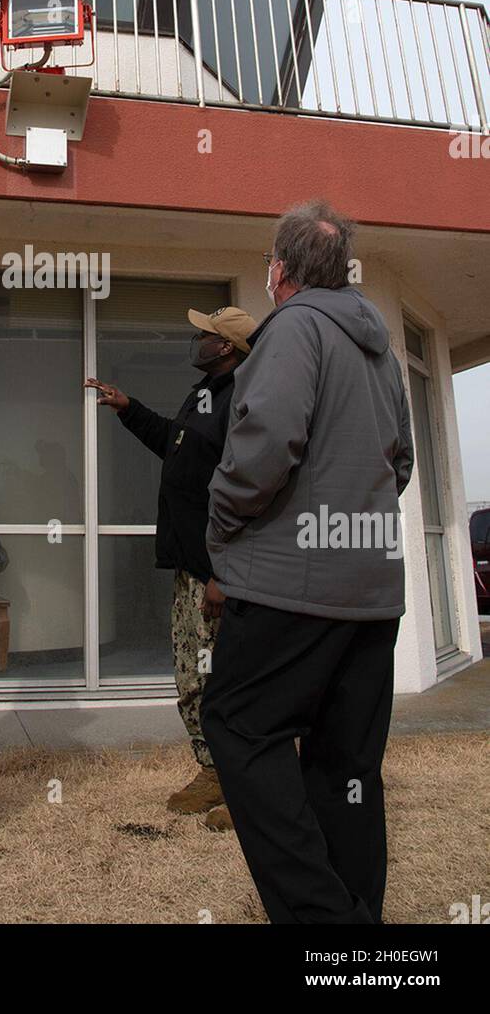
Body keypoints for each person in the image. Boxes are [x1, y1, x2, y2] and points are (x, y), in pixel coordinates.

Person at [201, 200, 415, 924]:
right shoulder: (379, 347)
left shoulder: (291, 329)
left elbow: (262, 451)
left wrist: (222, 528)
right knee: (345, 769)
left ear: (281, 270)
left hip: (294, 593)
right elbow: (401, 465)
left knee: (235, 724)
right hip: (372, 595)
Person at [85, 304, 257, 816]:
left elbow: (248, 492)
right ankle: (214, 771)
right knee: (192, 678)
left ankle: (238, 781)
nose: (196, 339)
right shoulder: (203, 395)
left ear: (225, 347)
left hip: (217, 576)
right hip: (192, 568)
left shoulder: (243, 401)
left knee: (220, 679)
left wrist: (223, 574)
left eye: (204, 334)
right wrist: (128, 407)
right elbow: (174, 446)